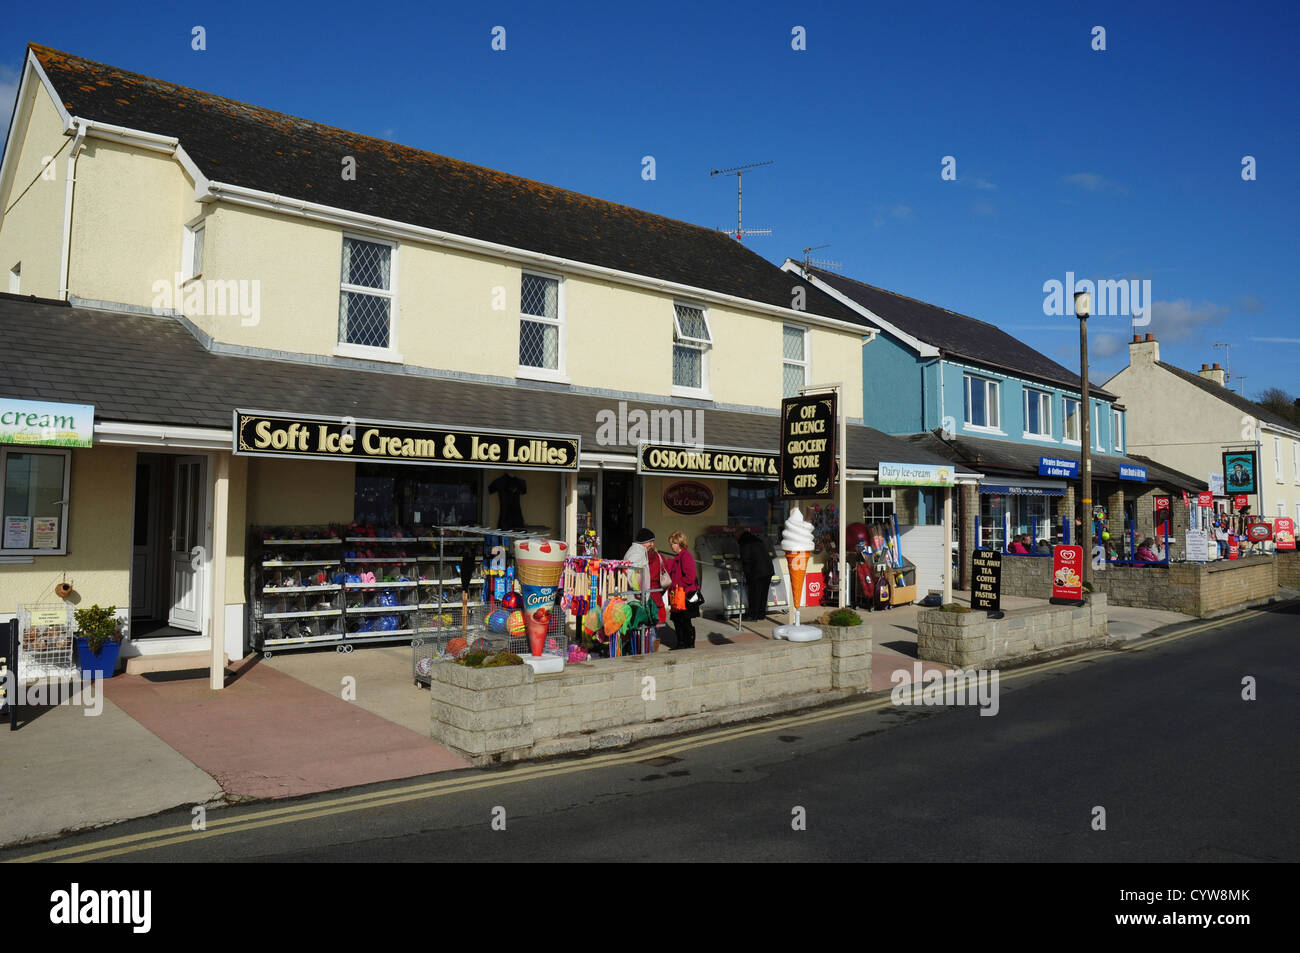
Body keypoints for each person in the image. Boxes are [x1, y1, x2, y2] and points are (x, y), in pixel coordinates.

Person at [623, 527, 668, 630]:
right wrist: (638, 590)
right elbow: (631, 571)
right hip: (637, 597)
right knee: (639, 627)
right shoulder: (637, 552)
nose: (652, 544)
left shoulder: (639, 550)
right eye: (650, 541)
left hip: (638, 595)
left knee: (640, 628)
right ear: (643, 541)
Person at [663, 531, 701, 649]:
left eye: (673, 543)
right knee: (677, 620)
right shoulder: (679, 556)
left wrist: (674, 584)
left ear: (679, 543)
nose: (671, 546)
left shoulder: (686, 556)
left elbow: (689, 577)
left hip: (684, 595)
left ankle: (688, 644)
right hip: (677, 594)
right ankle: (681, 643)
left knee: (685, 621)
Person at [736, 529, 772, 621]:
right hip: (768, 570)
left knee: (754, 594)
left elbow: (746, 560)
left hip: (757, 572)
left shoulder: (745, 543)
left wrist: (748, 575)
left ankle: (753, 615)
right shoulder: (757, 540)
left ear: (739, 535)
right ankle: (761, 614)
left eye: (735, 536)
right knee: (763, 594)